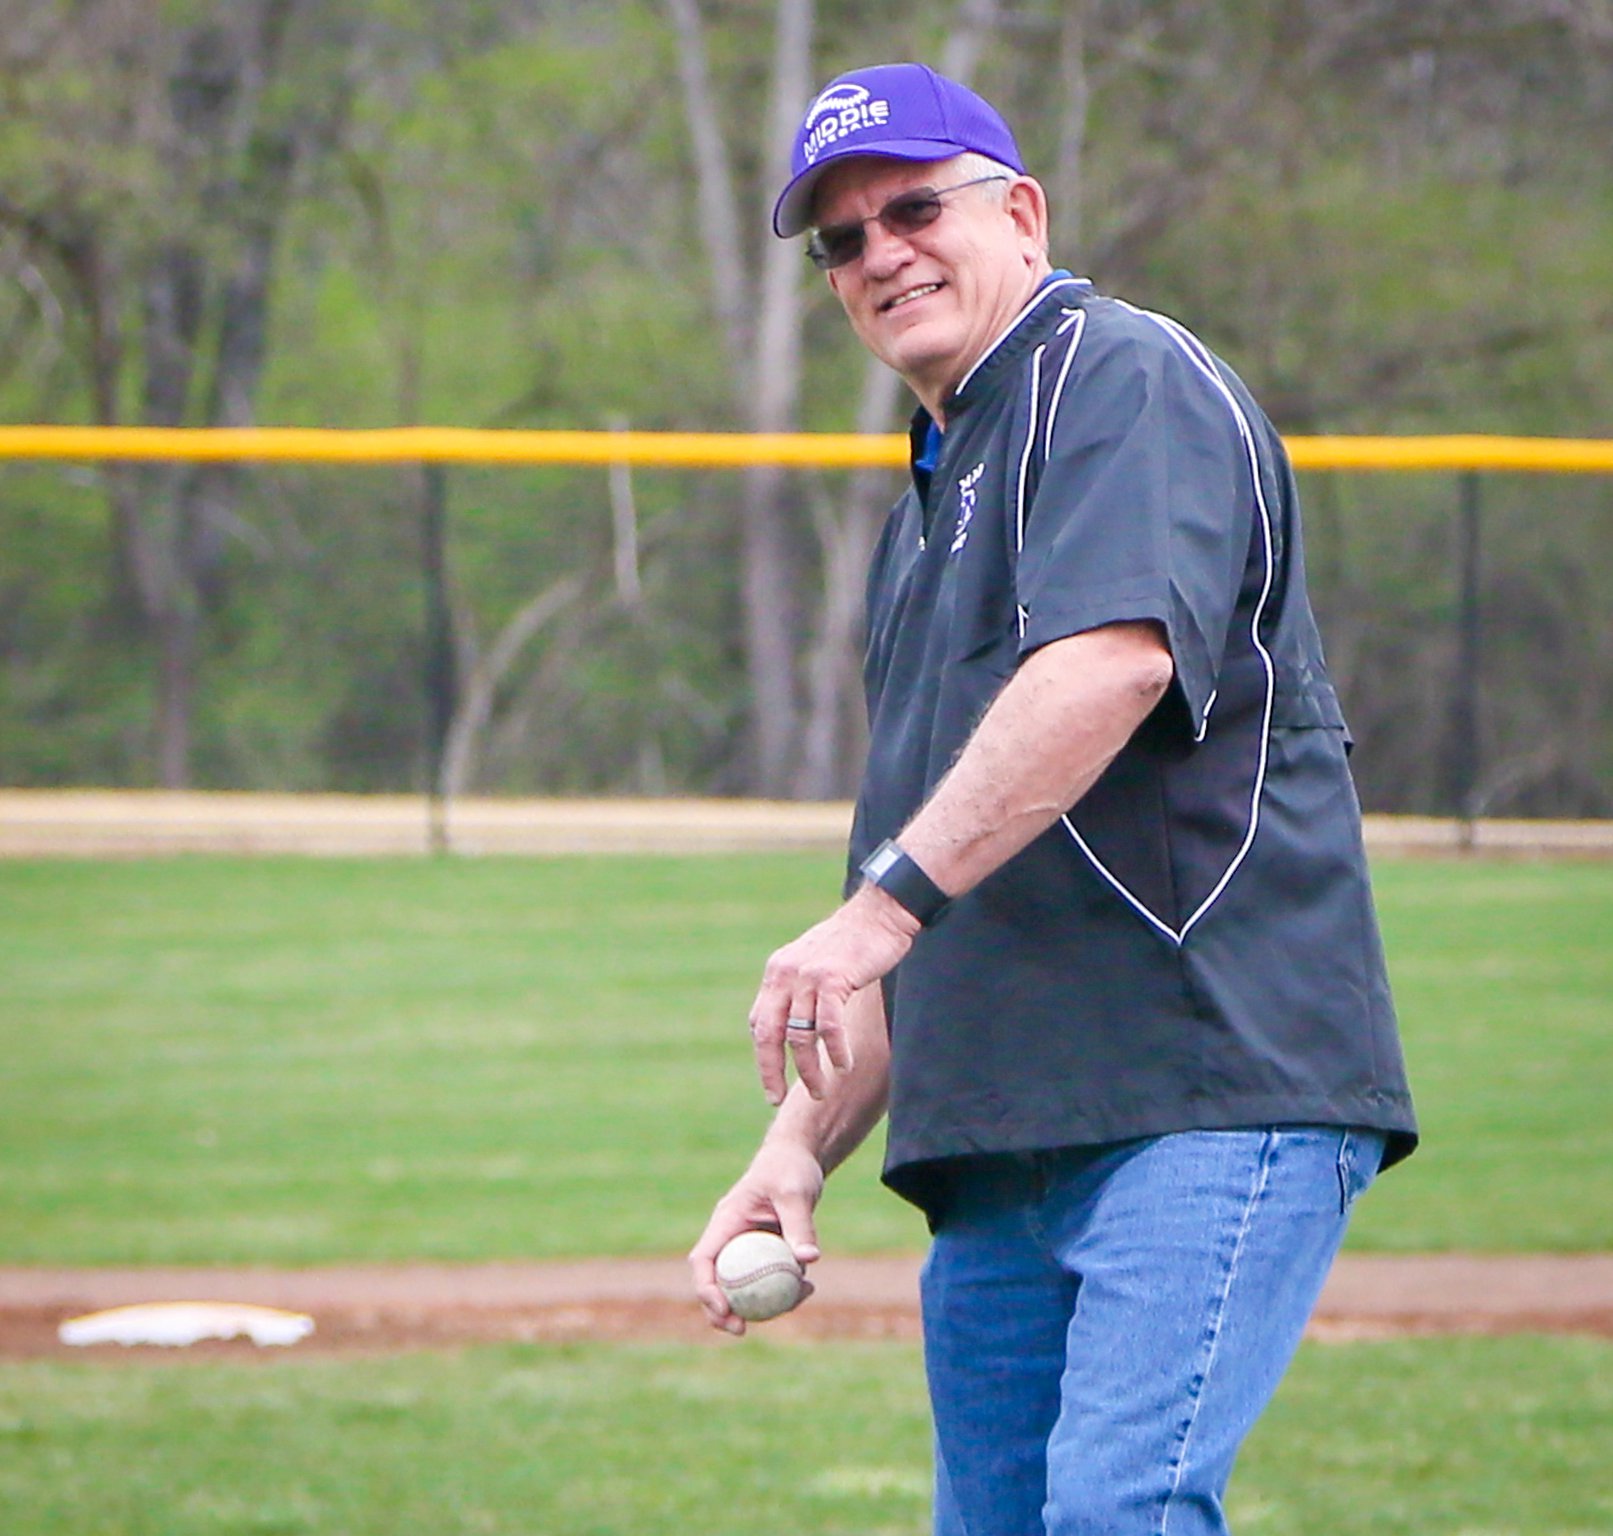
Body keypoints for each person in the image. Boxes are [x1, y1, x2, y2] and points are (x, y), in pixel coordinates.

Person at [689, 61, 1417, 1536]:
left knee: (1116, 1515)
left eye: (910, 208)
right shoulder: (934, 491)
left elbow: (1109, 670)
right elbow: (930, 872)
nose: (878, 253)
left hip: (1196, 1093)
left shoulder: (1114, 375)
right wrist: (794, 1147)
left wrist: (874, 916)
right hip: (1008, 1127)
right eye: (839, 240)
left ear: (1019, 210)